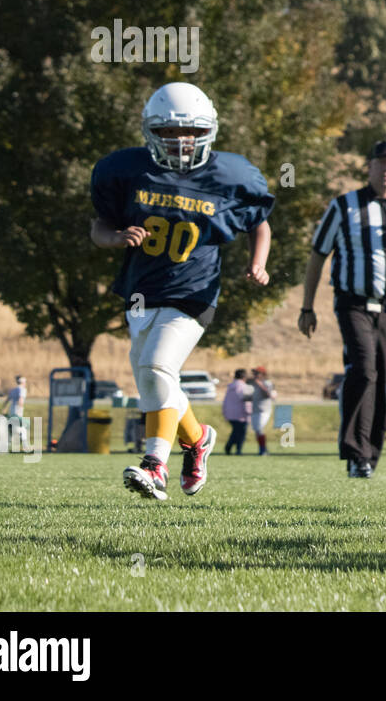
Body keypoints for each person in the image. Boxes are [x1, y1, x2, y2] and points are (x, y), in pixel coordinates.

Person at [90, 82, 273, 500]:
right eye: (170, 133)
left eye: (189, 132)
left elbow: (258, 221)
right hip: (141, 290)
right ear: (151, 133)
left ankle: (155, 465)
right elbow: (98, 225)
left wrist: (257, 262)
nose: (181, 142)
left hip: (194, 293)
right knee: (155, 377)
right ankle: (198, 438)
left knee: (157, 366)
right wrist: (116, 238)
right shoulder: (127, 170)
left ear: (207, 131)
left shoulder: (230, 174)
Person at [298, 139, 386, 479]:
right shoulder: (344, 206)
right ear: (370, 166)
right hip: (353, 302)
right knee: (363, 369)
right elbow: (318, 255)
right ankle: (354, 451)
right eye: (382, 162)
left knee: (379, 377)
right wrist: (307, 307)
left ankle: (369, 456)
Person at [246, 366, 276, 456]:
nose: (254, 375)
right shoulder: (254, 383)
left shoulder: (267, 383)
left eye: (257, 373)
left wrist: (259, 384)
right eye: (254, 373)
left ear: (262, 374)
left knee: (259, 429)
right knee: (256, 430)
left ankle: (263, 450)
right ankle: (263, 449)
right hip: (255, 410)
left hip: (264, 410)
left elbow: (268, 395)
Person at [221, 369, 250, 455]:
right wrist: (249, 411)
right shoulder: (245, 387)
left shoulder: (230, 387)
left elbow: (225, 401)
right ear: (244, 377)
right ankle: (238, 449)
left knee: (235, 432)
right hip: (241, 414)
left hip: (230, 414)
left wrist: (225, 412)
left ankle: (229, 447)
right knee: (241, 434)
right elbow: (247, 401)